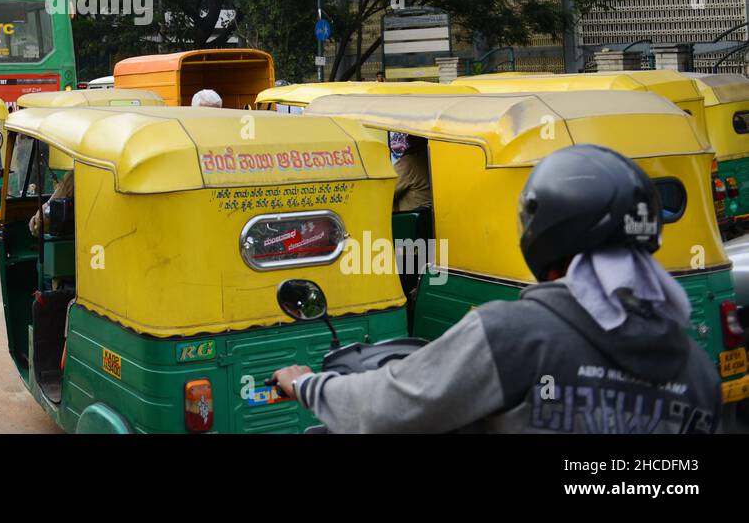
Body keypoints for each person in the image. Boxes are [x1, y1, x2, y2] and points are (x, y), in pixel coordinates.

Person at [270, 144, 722, 433]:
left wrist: (310, 386)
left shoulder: (515, 334)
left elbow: (387, 407)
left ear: (542, 228)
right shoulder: (697, 369)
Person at [391, 133, 432, 212]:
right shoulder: (430, 158)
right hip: (426, 217)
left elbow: (387, 191)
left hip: (406, 219)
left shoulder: (408, 162)